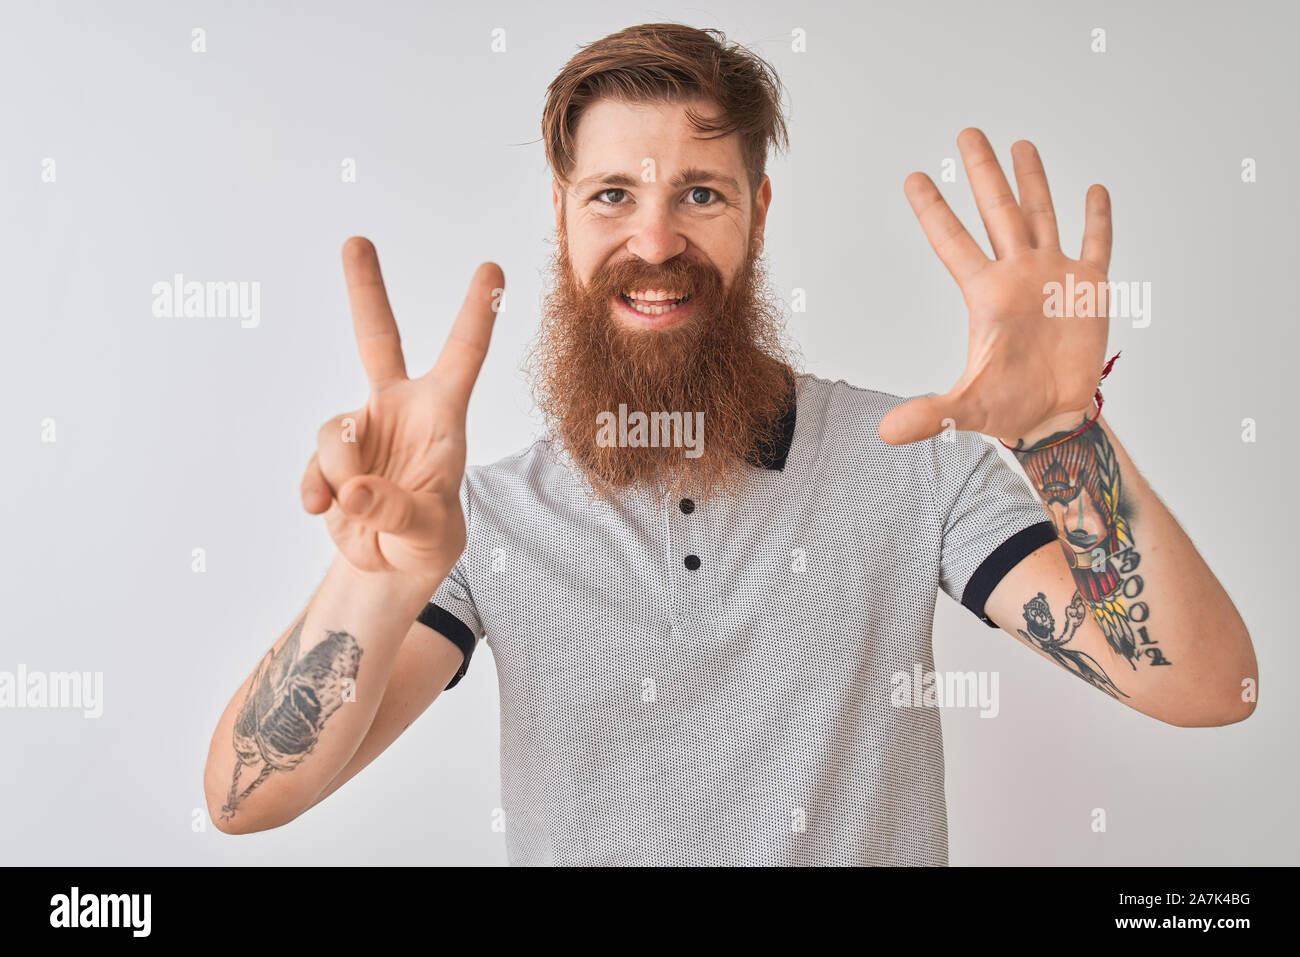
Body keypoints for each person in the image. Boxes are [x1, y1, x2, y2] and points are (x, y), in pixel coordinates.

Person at [203, 23, 1257, 865]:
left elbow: (1206, 688)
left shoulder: (913, 463)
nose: (653, 241)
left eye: (697, 195)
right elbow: (246, 799)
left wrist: (1059, 436)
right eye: (612, 195)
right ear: (563, 219)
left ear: (755, 212)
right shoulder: (480, 523)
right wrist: (375, 579)